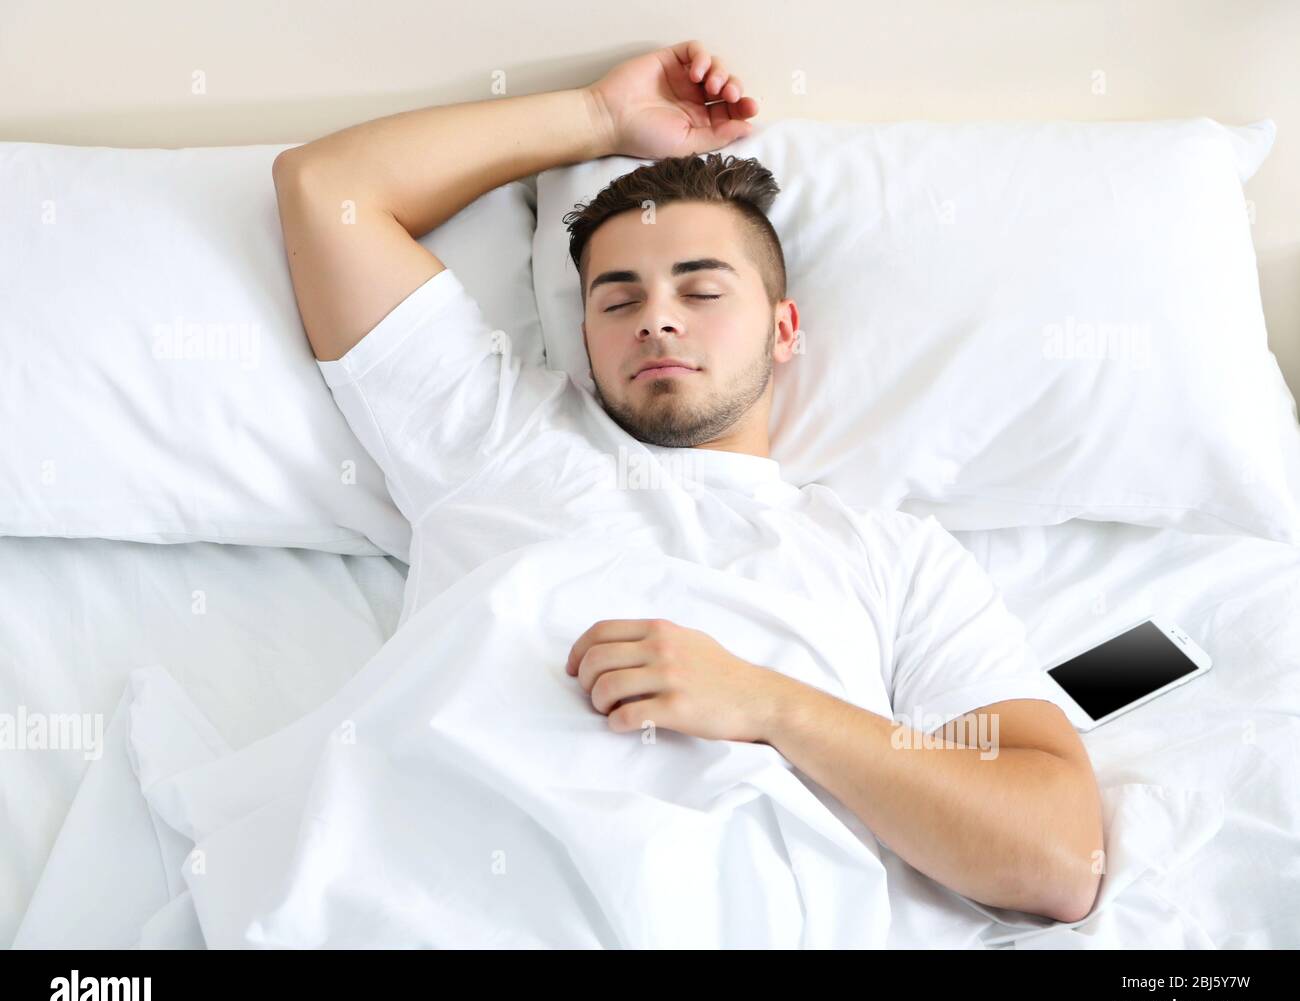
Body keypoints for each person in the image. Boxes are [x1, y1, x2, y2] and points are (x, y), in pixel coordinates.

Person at [271, 39, 1104, 924]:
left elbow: (1056, 858)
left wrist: (768, 704)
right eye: (617, 299)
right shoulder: (495, 440)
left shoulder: (891, 560)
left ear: (785, 330)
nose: (657, 317)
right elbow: (326, 191)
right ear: (586, 340)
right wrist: (595, 117)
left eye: (701, 291)